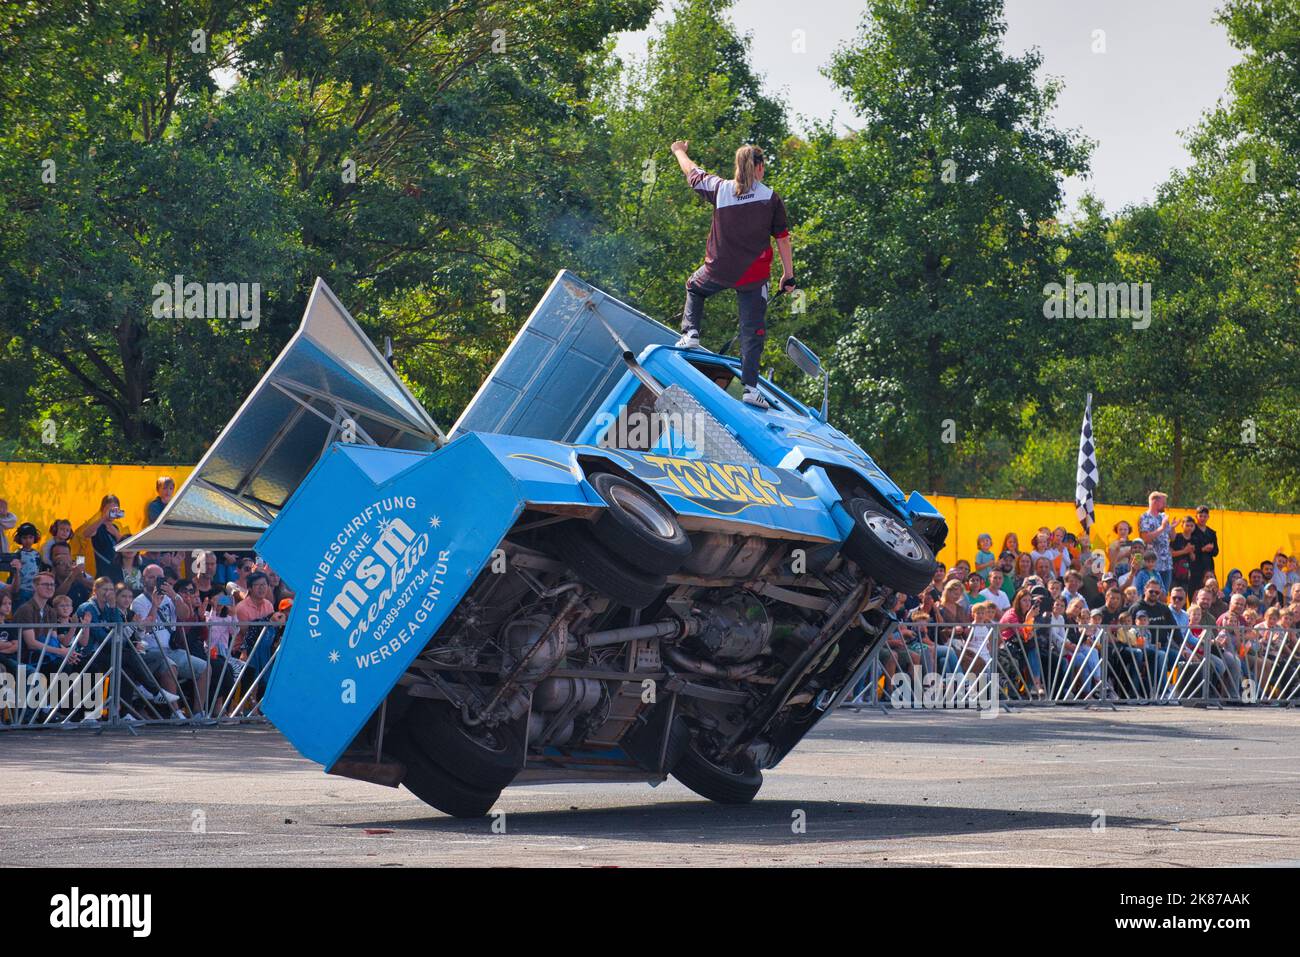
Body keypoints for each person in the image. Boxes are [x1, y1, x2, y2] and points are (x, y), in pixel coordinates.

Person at [669, 140, 794, 409]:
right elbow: (782, 239)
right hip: (753, 276)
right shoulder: (770, 198)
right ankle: (750, 388)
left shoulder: (720, 189)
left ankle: (691, 334)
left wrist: (679, 150)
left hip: (719, 269)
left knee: (695, 287)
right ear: (759, 168)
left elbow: (692, 173)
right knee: (752, 330)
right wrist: (788, 275)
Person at [77, 494, 126, 584]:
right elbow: (86, 534)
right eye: (109, 509)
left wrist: (115, 533)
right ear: (102, 509)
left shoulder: (116, 527)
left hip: (116, 571)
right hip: (102, 571)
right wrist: (103, 518)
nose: (112, 512)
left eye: (115, 510)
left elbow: (124, 547)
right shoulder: (97, 525)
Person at [1137, 491, 1174, 591]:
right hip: (1153, 563)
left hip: (1167, 563)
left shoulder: (1163, 516)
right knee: (1153, 592)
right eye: (1163, 502)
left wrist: (1172, 527)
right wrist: (1162, 527)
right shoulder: (1145, 517)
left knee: (1164, 594)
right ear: (1155, 502)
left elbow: (1172, 537)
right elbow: (1145, 538)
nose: (1165, 505)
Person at [1190, 506, 1219, 590]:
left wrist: (1211, 549)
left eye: (1205, 516)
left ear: (1208, 517)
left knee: (1212, 589)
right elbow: (1189, 549)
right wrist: (1202, 549)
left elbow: (1216, 552)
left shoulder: (1211, 533)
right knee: (1195, 591)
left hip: (1208, 566)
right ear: (1196, 516)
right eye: (1200, 516)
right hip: (1195, 567)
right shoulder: (1192, 531)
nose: (1202, 518)